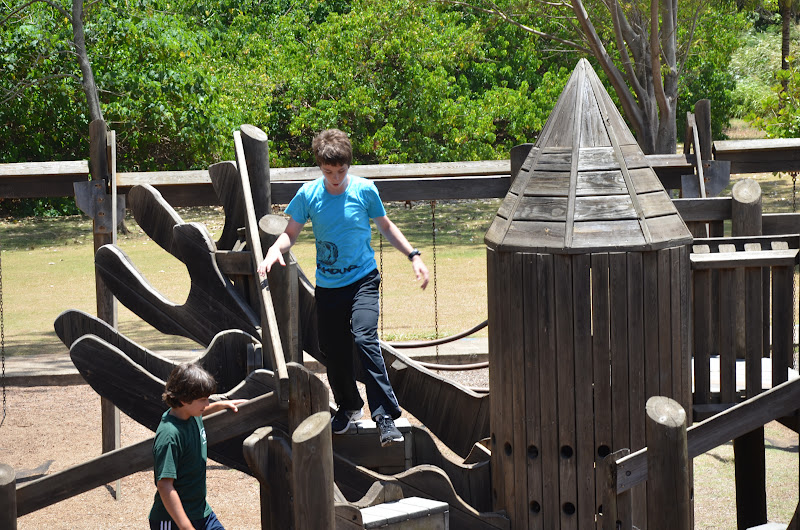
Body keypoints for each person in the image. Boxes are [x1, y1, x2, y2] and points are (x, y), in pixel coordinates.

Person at [257, 128, 429, 447]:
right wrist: (273, 250)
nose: (335, 178)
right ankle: (349, 406)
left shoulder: (364, 190)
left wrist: (413, 256)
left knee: (364, 337)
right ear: (320, 167)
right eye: (328, 172)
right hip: (329, 286)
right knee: (332, 349)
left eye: (341, 171)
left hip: (364, 279)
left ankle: (385, 417)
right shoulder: (309, 194)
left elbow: (386, 226)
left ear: (348, 165)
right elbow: (290, 233)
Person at [149, 362, 247, 530]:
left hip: (200, 512)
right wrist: (186, 527)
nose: (207, 404)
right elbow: (164, 485)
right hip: (172, 521)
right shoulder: (170, 436)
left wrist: (221, 405)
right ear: (183, 399)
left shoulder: (190, 414)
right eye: (203, 400)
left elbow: (202, 410)